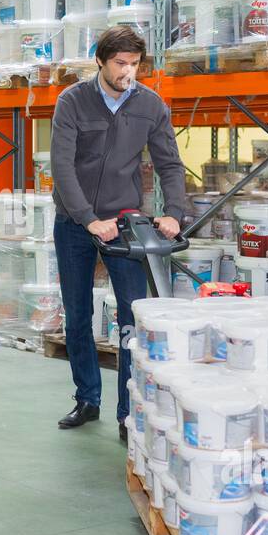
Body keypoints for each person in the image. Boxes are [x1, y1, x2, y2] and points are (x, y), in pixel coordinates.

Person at [49, 25, 193, 441]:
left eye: (133, 64)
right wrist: (87, 217)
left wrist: (174, 214)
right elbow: (62, 166)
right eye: (119, 63)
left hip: (127, 228)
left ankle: (128, 414)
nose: (127, 72)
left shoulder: (150, 105)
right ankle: (87, 398)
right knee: (77, 315)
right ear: (100, 60)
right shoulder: (73, 101)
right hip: (76, 224)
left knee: (132, 318)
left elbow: (169, 163)